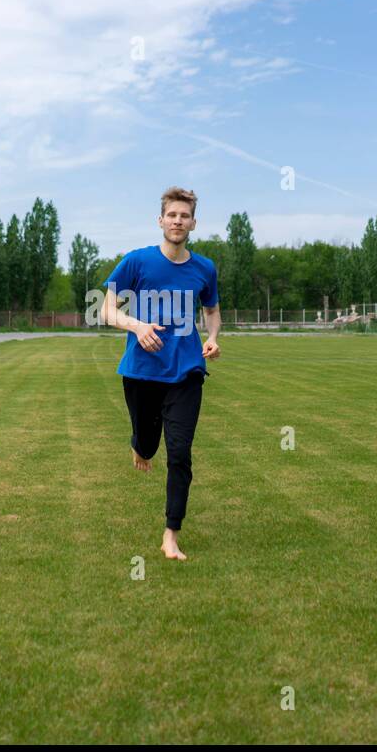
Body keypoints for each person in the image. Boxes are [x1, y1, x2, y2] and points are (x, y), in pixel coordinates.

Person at [100, 187, 221, 561]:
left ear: (193, 223)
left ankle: (171, 533)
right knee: (149, 444)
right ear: (161, 220)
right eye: (172, 215)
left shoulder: (204, 268)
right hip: (141, 373)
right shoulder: (136, 263)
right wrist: (137, 327)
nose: (178, 221)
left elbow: (212, 311)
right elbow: (106, 311)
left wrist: (213, 337)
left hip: (186, 373)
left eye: (184, 216)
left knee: (180, 452)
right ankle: (140, 443)